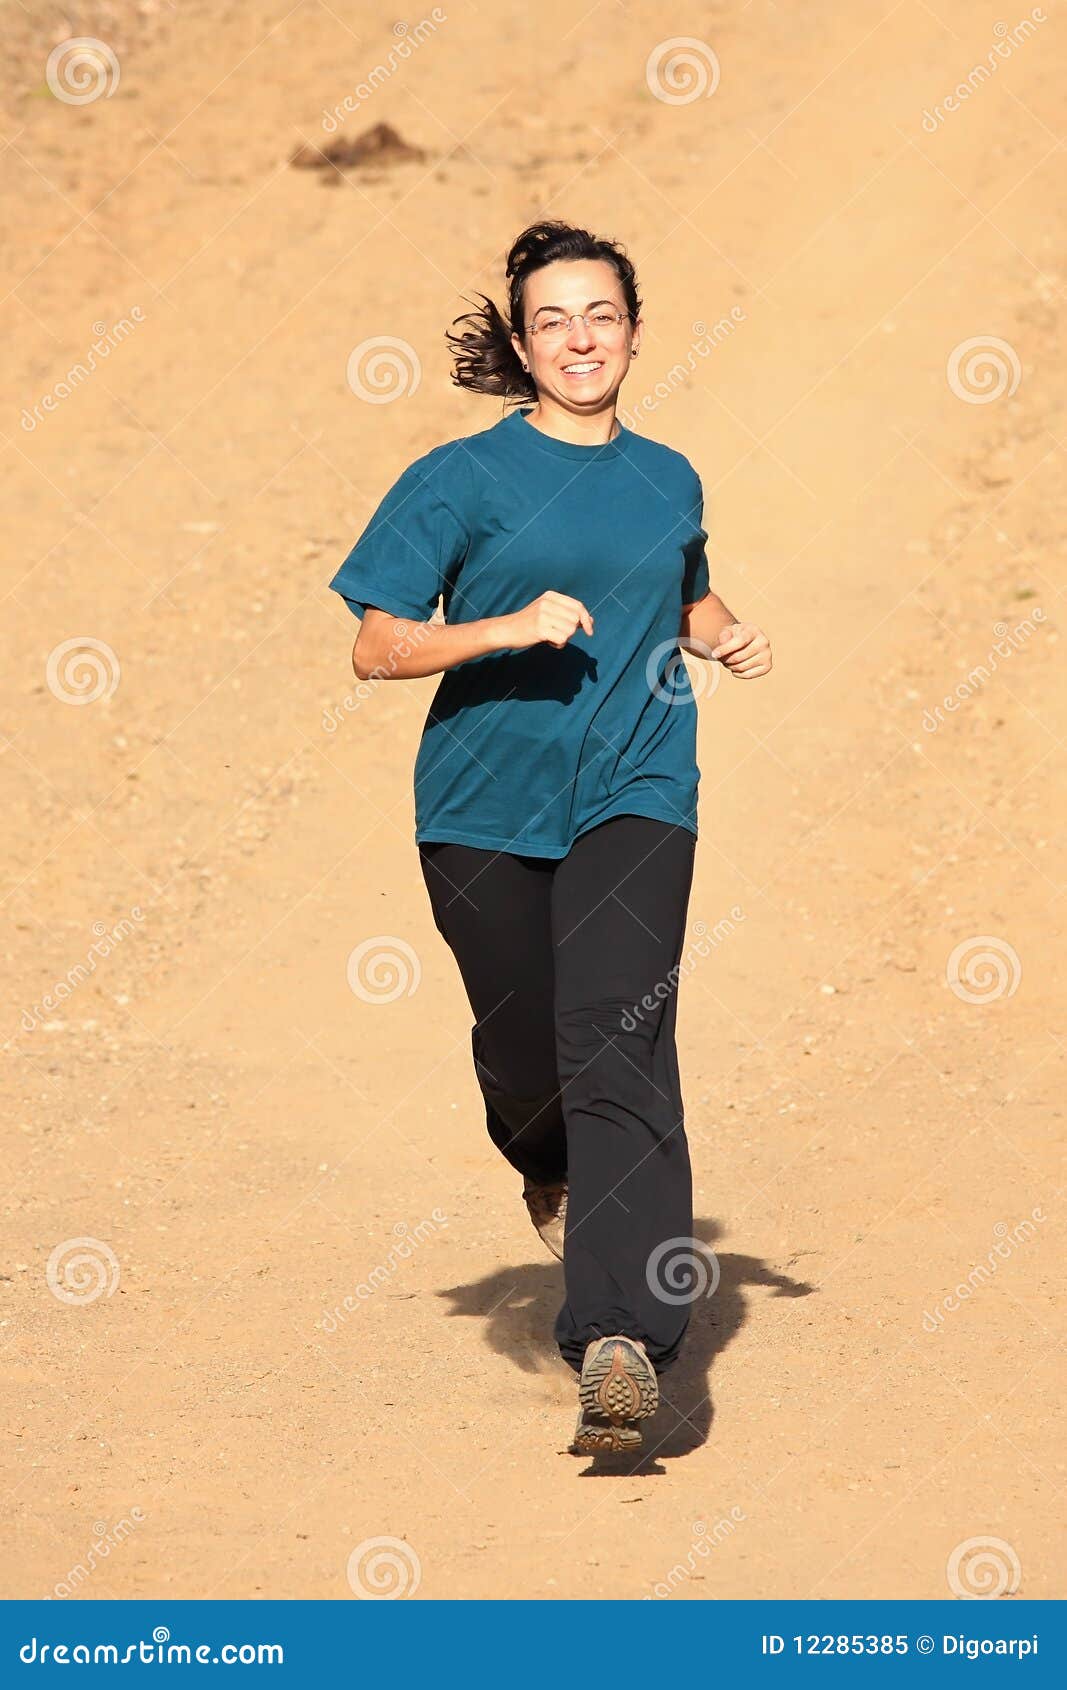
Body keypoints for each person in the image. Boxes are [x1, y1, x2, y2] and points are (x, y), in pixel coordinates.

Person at [328, 219, 772, 1454]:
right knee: (529, 1054)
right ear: (521, 345)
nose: (580, 339)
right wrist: (502, 628)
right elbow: (376, 645)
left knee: (614, 1040)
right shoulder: (457, 479)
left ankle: (618, 1337)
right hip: (479, 806)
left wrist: (722, 631)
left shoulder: (668, 474)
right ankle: (542, 1157)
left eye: (601, 316)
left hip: (639, 788)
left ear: (632, 329)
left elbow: (677, 585)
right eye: (553, 321)